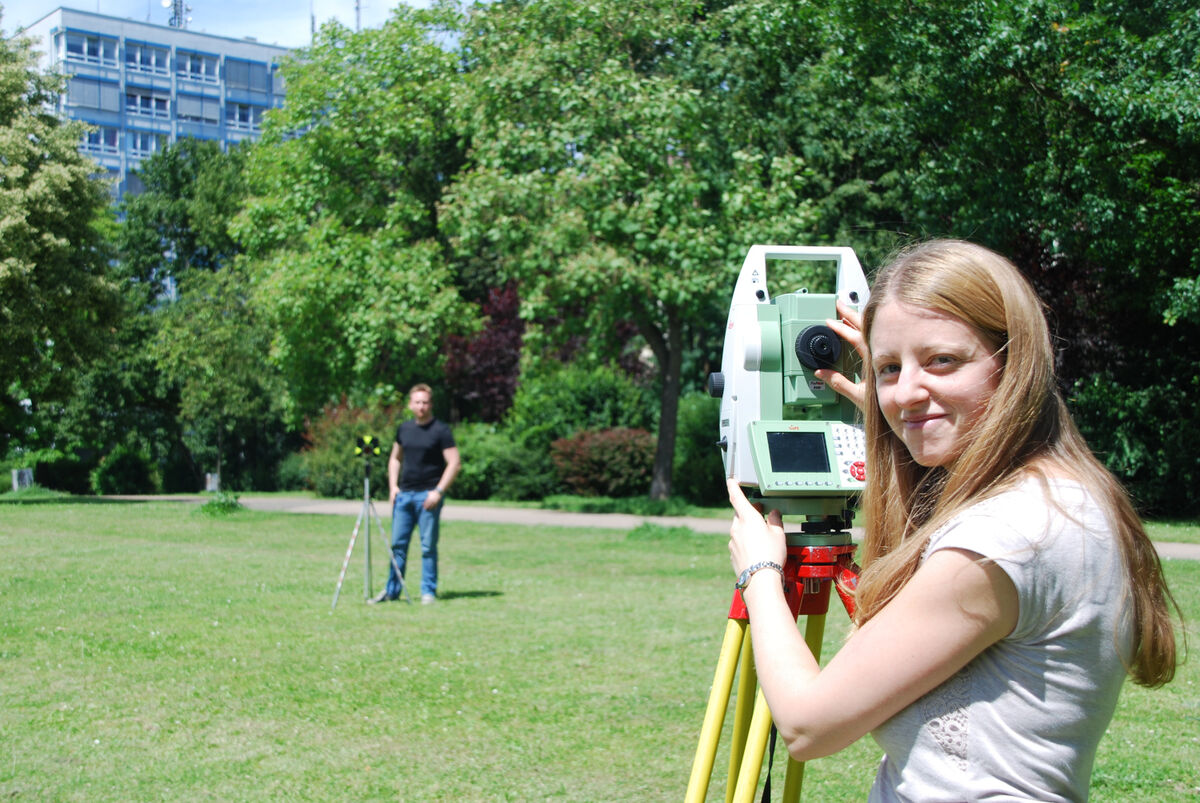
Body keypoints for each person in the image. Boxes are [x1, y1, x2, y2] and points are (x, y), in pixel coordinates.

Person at [727, 240, 1179, 801]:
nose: (908, 391)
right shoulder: (1065, 494)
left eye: (942, 360)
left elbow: (807, 724)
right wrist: (901, 417)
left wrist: (763, 574)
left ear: (1014, 362)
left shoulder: (1005, 537)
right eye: (889, 367)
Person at [371, 383, 460, 605]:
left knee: (428, 546)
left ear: (431, 404)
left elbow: (454, 463)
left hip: (427, 497)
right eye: (417, 402)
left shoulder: (441, 431)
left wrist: (438, 492)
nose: (421, 406)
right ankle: (392, 591)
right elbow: (395, 458)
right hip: (404, 496)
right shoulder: (404, 429)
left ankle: (428, 591)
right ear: (411, 405)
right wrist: (393, 487)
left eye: (425, 402)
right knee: (397, 545)